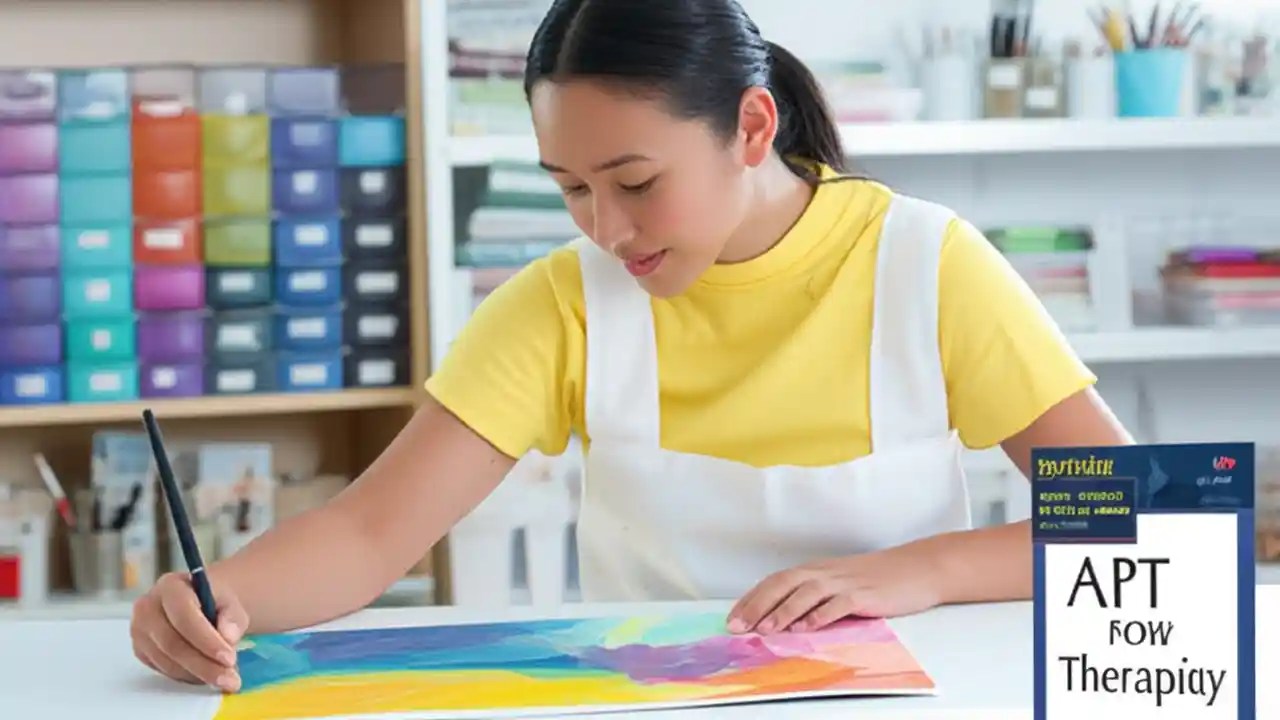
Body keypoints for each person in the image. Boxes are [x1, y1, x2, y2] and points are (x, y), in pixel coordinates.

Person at [128, 0, 1133, 694]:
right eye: (571, 188)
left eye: (636, 182)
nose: (606, 229)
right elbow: (366, 535)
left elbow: (1147, 514)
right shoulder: (565, 302)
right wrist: (218, 601)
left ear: (751, 126)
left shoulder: (925, 265)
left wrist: (920, 571)